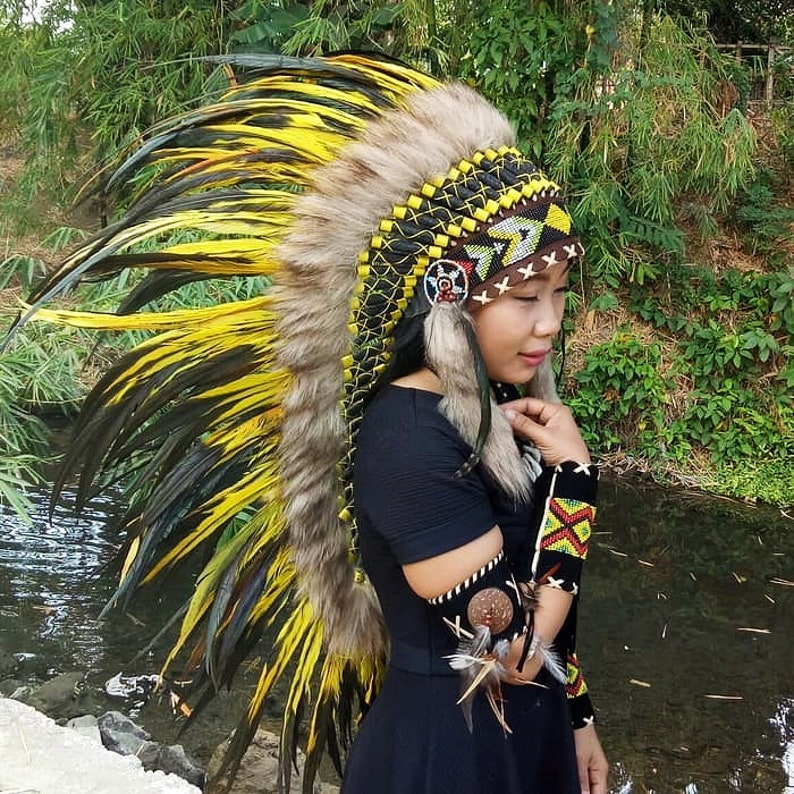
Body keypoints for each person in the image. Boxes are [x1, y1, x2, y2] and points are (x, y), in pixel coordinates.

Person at [20, 53, 607, 792]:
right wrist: (578, 485)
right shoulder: (408, 438)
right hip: (448, 760)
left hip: (526, 737)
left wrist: (578, 717)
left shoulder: (496, 413)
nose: (551, 322)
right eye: (525, 296)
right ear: (453, 296)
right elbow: (510, 653)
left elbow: (544, 603)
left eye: (559, 291)